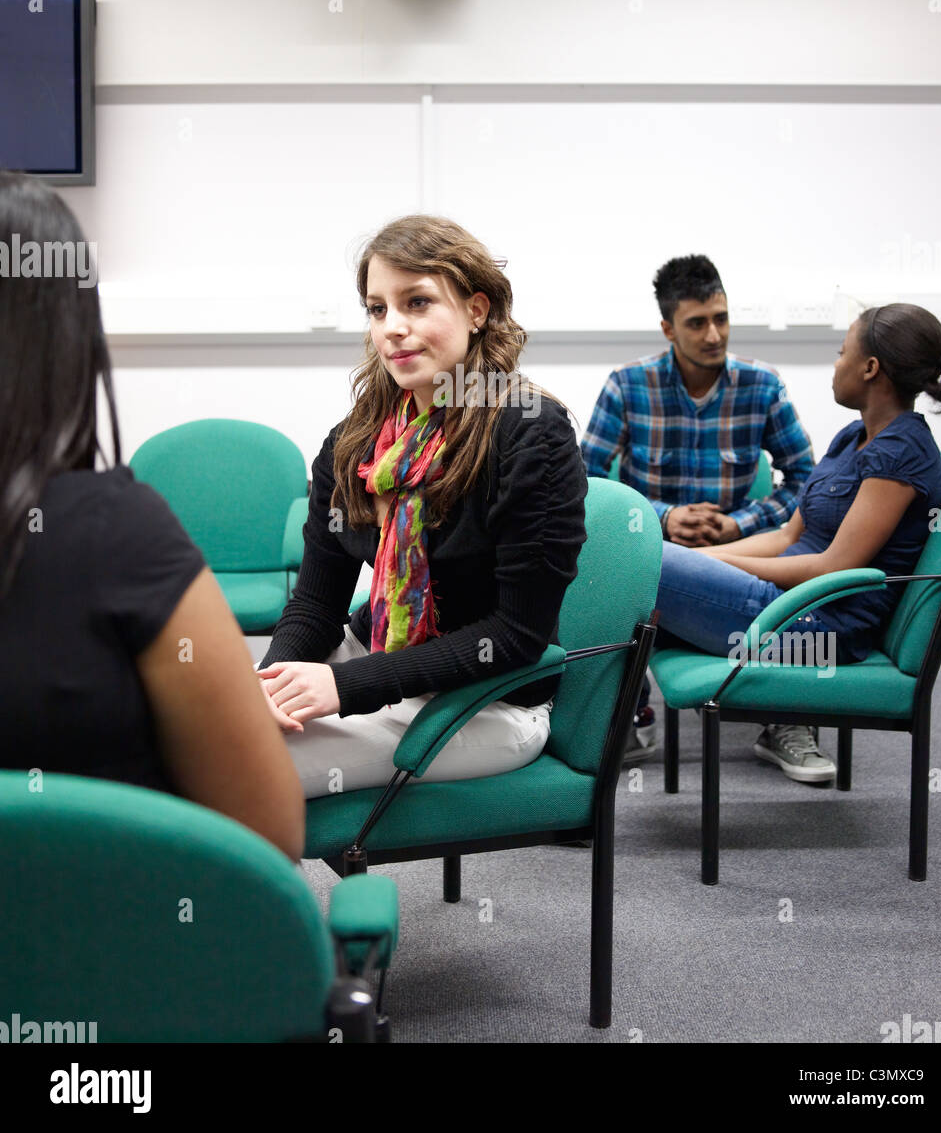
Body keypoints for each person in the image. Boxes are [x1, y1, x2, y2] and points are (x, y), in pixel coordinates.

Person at [0, 171, 305, 862]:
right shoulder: (116, 533)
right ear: (68, 341)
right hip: (101, 958)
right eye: (378, 308)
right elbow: (268, 839)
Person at [257, 215, 587, 797]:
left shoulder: (530, 433)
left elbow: (515, 636)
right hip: (374, 659)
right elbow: (314, 603)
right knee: (190, 732)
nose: (393, 329)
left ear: (477, 310)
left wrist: (345, 686)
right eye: (378, 309)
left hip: (487, 703)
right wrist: (272, 682)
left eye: (417, 302)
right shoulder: (353, 440)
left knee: (227, 769)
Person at [652, 303, 941, 782]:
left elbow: (835, 566)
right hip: (778, 600)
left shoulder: (901, 453)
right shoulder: (853, 437)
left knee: (628, 563)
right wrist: (698, 560)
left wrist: (712, 567)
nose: (836, 362)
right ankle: (588, 732)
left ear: (870, 368)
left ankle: (564, 728)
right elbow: (787, 535)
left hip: (815, 624)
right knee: (639, 564)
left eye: (843, 352)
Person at [581, 254, 815, 768]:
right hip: (651, 559)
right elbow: (585, 484)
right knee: (582, 555)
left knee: (796, 567)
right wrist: (662, 518)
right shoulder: (628, 385)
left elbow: (806, 483)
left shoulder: (763, 385)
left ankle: (785, 717)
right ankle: (633, 714)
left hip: (736, 563)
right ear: (668, 328)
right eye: (697, 323)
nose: (714, 335)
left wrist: (741, 523)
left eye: (722, 319)